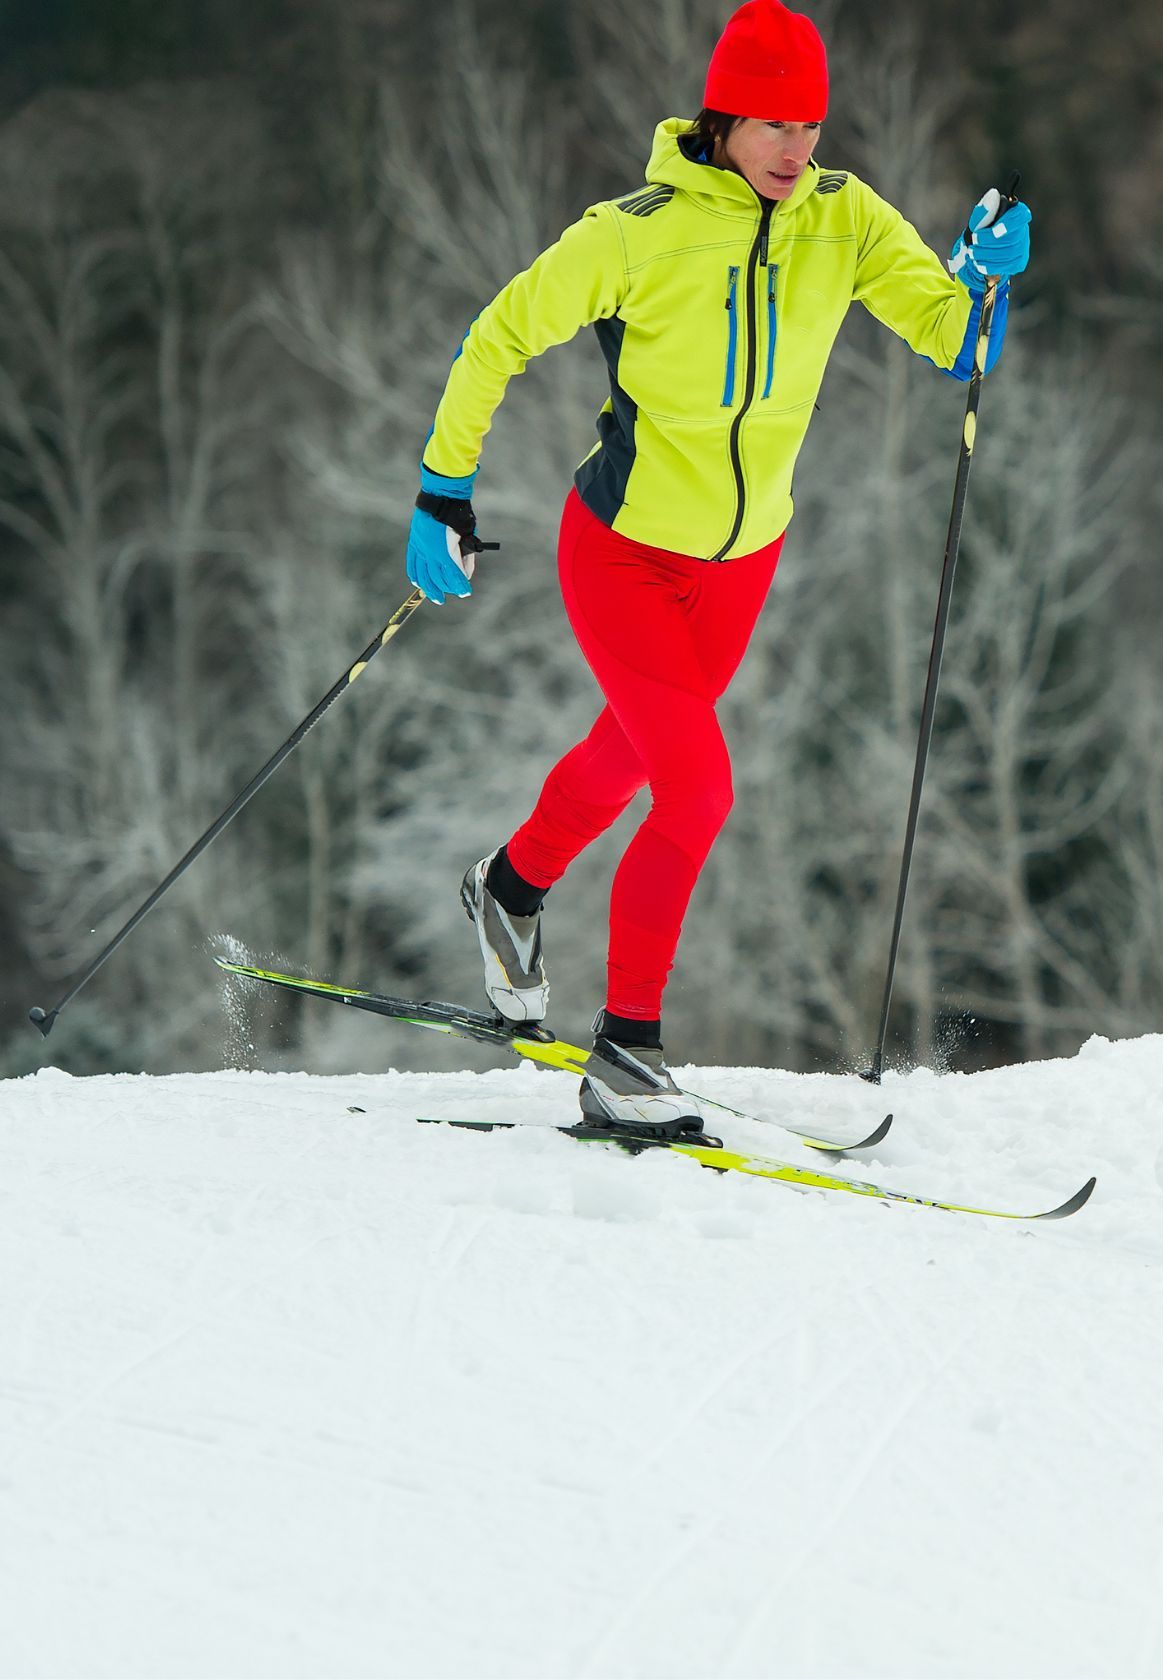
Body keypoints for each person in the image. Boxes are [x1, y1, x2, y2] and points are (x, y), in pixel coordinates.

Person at [405, 0, 1031, 1143]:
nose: (797, 149)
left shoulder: (842, 219)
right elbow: (496, 335)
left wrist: (984, 283)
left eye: (811, 126)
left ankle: (509, 888)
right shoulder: (635, 232)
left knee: (635, 753)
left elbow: (956, 345)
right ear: (721, 118)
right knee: (696, 789)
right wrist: (443, 490)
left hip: (744, 561)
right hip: (624, 552)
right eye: (773, 125)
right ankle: (626, 1053)